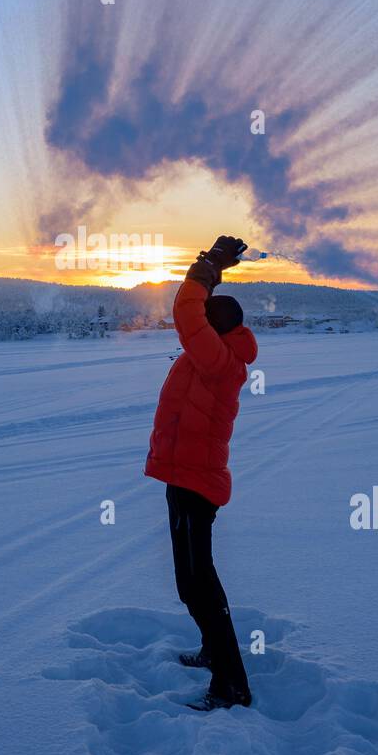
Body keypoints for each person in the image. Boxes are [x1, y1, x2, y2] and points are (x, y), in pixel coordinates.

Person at [145, 235, 258, 711]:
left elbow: (188, 314)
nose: (198, 327)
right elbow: (197, 317)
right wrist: (214, 276)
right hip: (183, 479)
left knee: (199, 584)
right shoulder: (210, 354)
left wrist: (206, 268)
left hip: (196, 484)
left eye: (207, 322)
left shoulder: (218, 362)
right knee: (190, 581)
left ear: (217, 329)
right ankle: (215, 652)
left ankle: (232, 685)